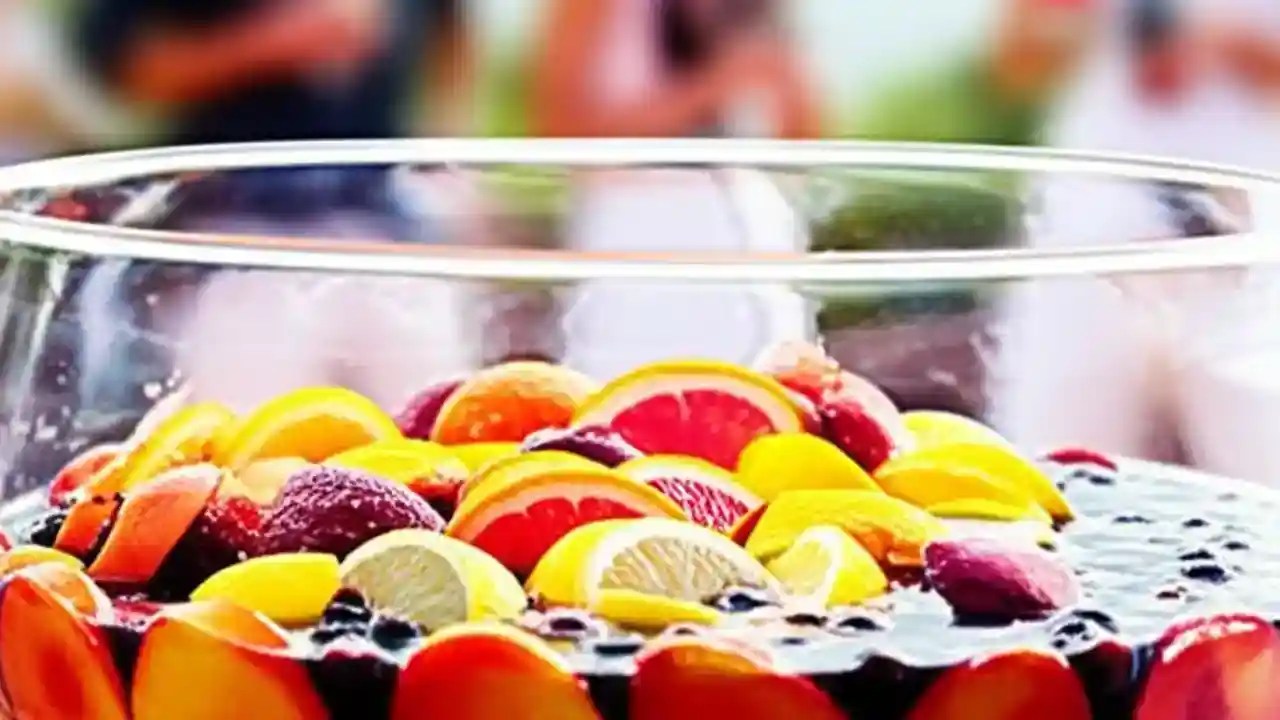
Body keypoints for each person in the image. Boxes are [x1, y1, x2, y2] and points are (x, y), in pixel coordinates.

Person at [68, 0, 479, 418]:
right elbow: (131, 67)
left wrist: (445, 157)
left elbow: (452, 36)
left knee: (437, 423)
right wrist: (274, 43)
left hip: (383, 229)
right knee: (250, 431)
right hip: (235, 237)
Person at [995, 0, 1280, 483]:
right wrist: (1089, 26)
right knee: (1054, 462)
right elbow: (1017, 62)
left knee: (1260, 469)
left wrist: (1214, 41)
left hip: (1244, 244)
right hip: (1095, 235)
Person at [820, 0, 1100, 416]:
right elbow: (844, 206)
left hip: (999, 337)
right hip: (887, 319)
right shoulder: (917, 103)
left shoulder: (1086, 117)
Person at [532, 0, 821, 379]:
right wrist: (711, 87)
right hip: (637, 256)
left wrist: (783, 82)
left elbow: (804, 143)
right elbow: (563, 134)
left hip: (751, 255)